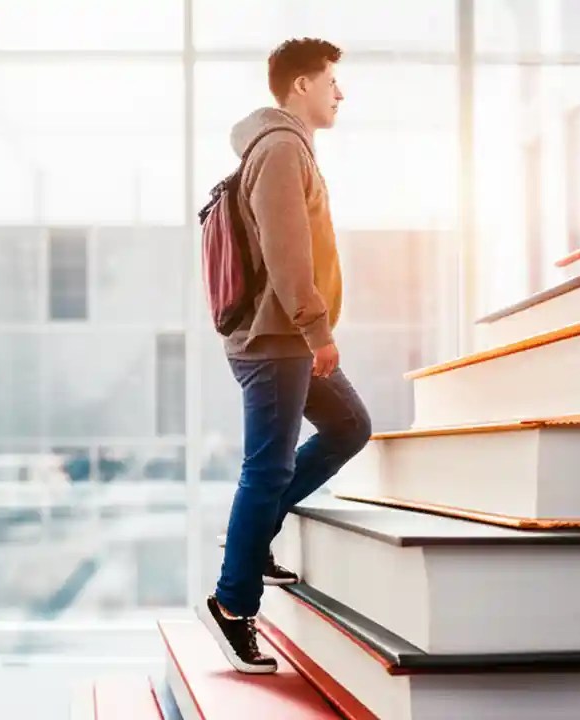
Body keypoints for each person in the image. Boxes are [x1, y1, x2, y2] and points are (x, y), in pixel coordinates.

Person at [197, 37, 372, 675]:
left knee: (350, 425)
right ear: (300, 85)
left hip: (285, 336)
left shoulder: (284, 147)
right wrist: (317, 329)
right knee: (265, 469)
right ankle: (232, 603)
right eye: (331, 81)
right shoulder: (278, 149)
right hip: (277, 339)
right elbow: (287, 252)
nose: (340, 93)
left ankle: (255, 536)